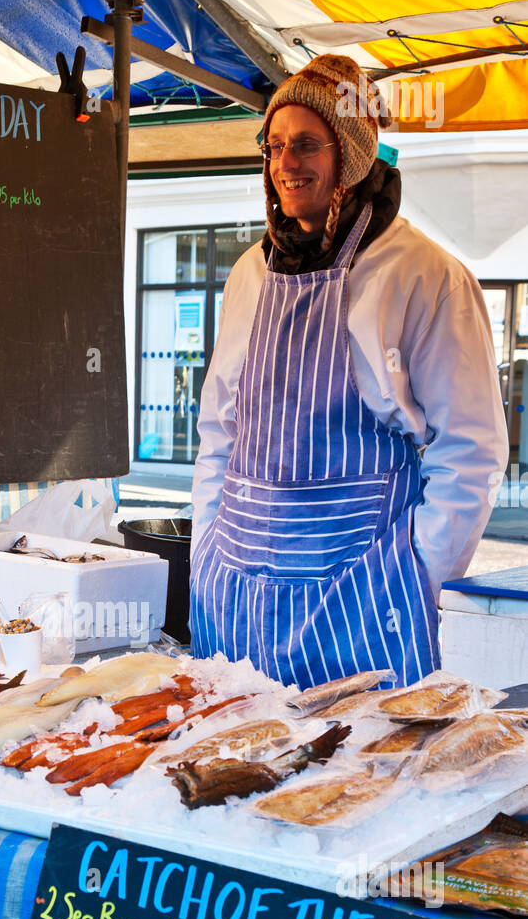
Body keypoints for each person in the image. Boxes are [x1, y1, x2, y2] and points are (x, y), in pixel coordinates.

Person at [190, 54, 508, 688]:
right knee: (227, 770)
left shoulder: (427, 275)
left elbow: (471, 450)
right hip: (237, 596)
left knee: (355, 779)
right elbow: (219, 430)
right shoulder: (250, 272)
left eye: (306, 144)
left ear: (352, 156)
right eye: (274, 145)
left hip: (366, 603)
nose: (285, 164)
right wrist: (206, 550)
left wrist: (418, 575)